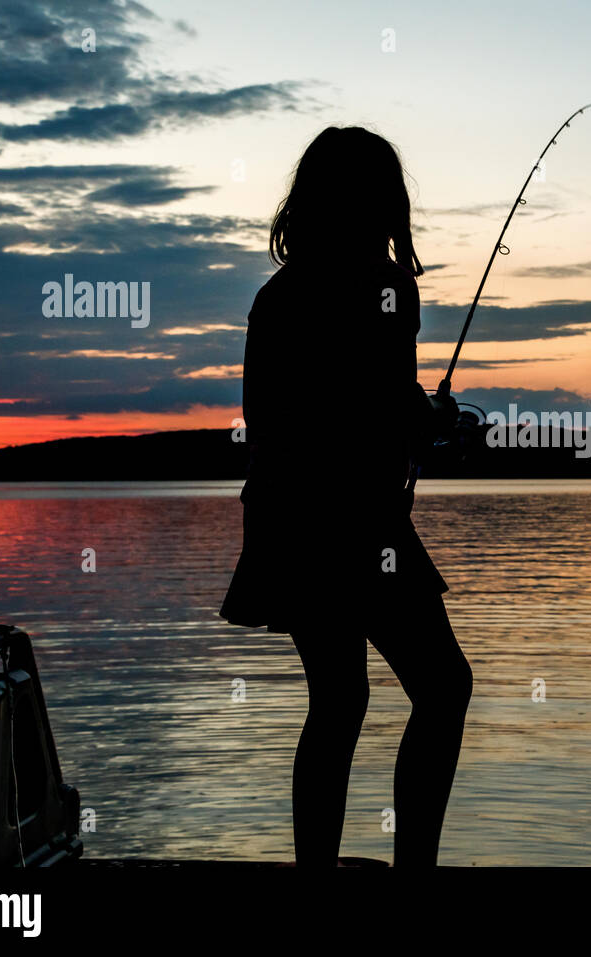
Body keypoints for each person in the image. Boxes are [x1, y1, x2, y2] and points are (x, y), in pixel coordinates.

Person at [219, 126, 472, 867]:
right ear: (382, 199)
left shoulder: (277, 294)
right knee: (444, 686)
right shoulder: (385, 283)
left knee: (337, 701)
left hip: (284, 516)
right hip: (355, 522)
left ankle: (315, 870)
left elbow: (280, 415)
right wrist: (436, 420)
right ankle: (413, 867)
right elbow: (388, 400)